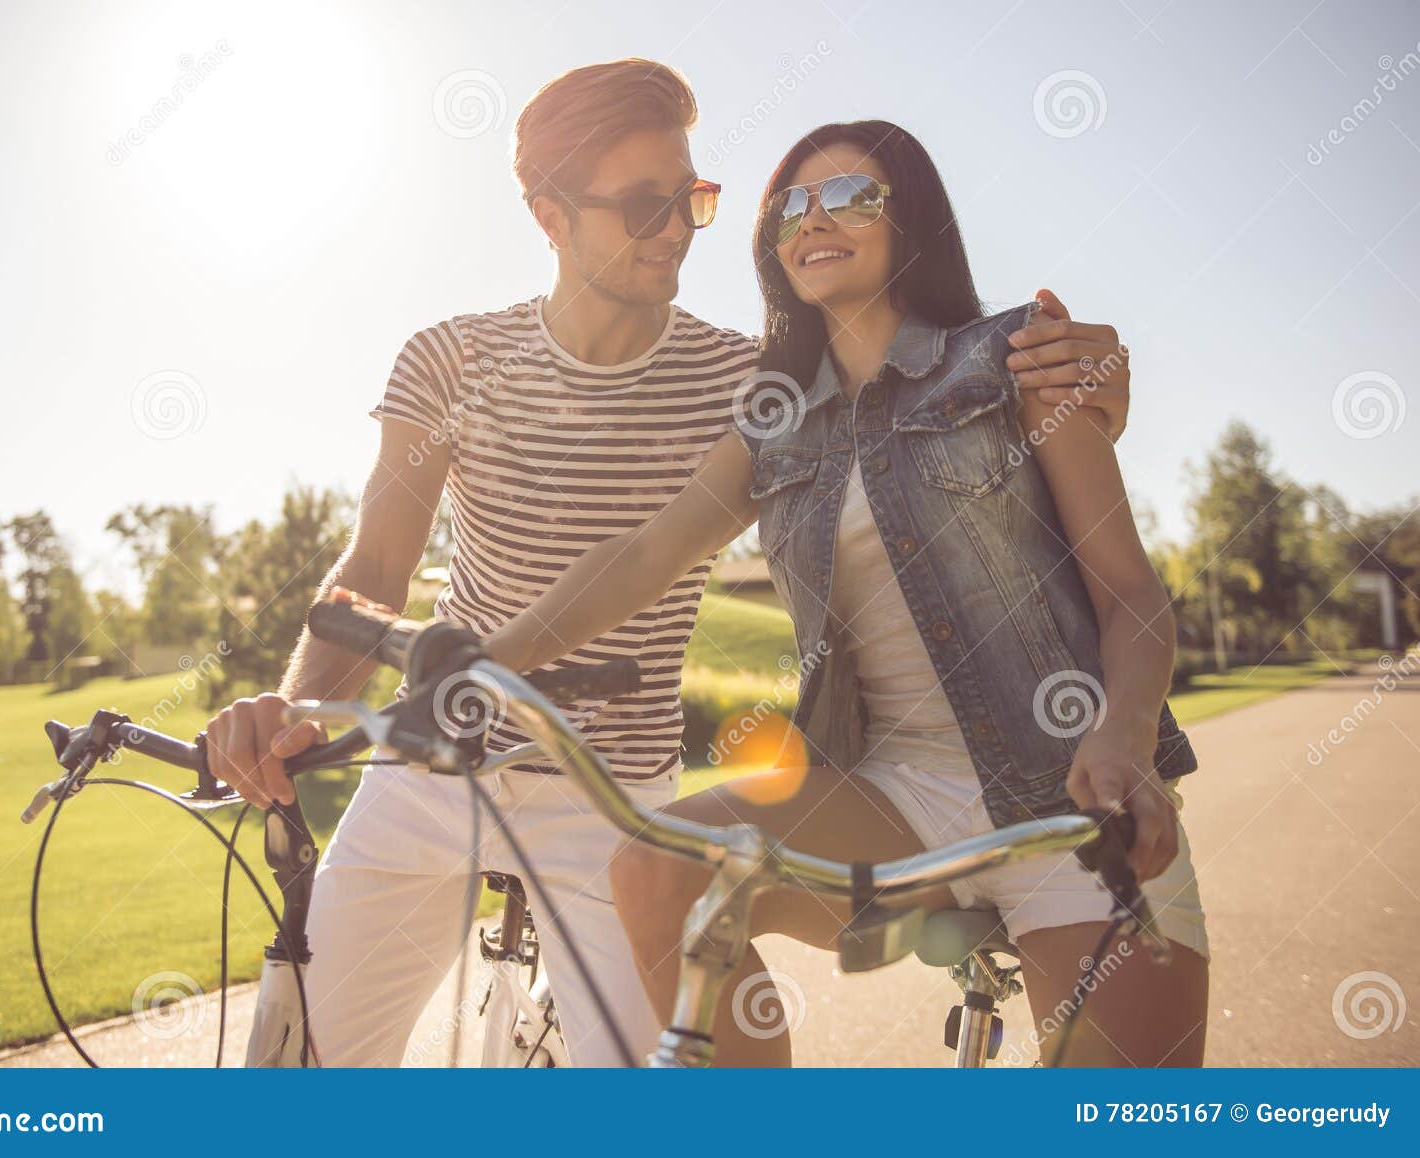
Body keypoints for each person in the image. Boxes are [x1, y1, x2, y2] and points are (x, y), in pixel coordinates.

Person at [205, 63, 1137, 1066]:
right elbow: (377, 563)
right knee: (297, 1074)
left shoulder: (753, 383)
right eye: (644, 206)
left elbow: (914, 402)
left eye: (691, 201)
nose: (676, 232)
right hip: (427, 769)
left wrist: (1101, 390)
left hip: (609, 790)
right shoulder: (449, 360)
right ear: (549, 217)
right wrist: (298, 705)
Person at [485, 119, 1208, 1067]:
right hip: (893, 795)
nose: (813, 219)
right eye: (790, 203)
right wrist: (473, 661)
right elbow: (642, 553)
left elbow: (1131, 597)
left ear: (911, 221)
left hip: (1073, 792)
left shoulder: (1015, 359)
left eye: (852, 196)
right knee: (662, 864)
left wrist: (1122, 738)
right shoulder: (775, 421)